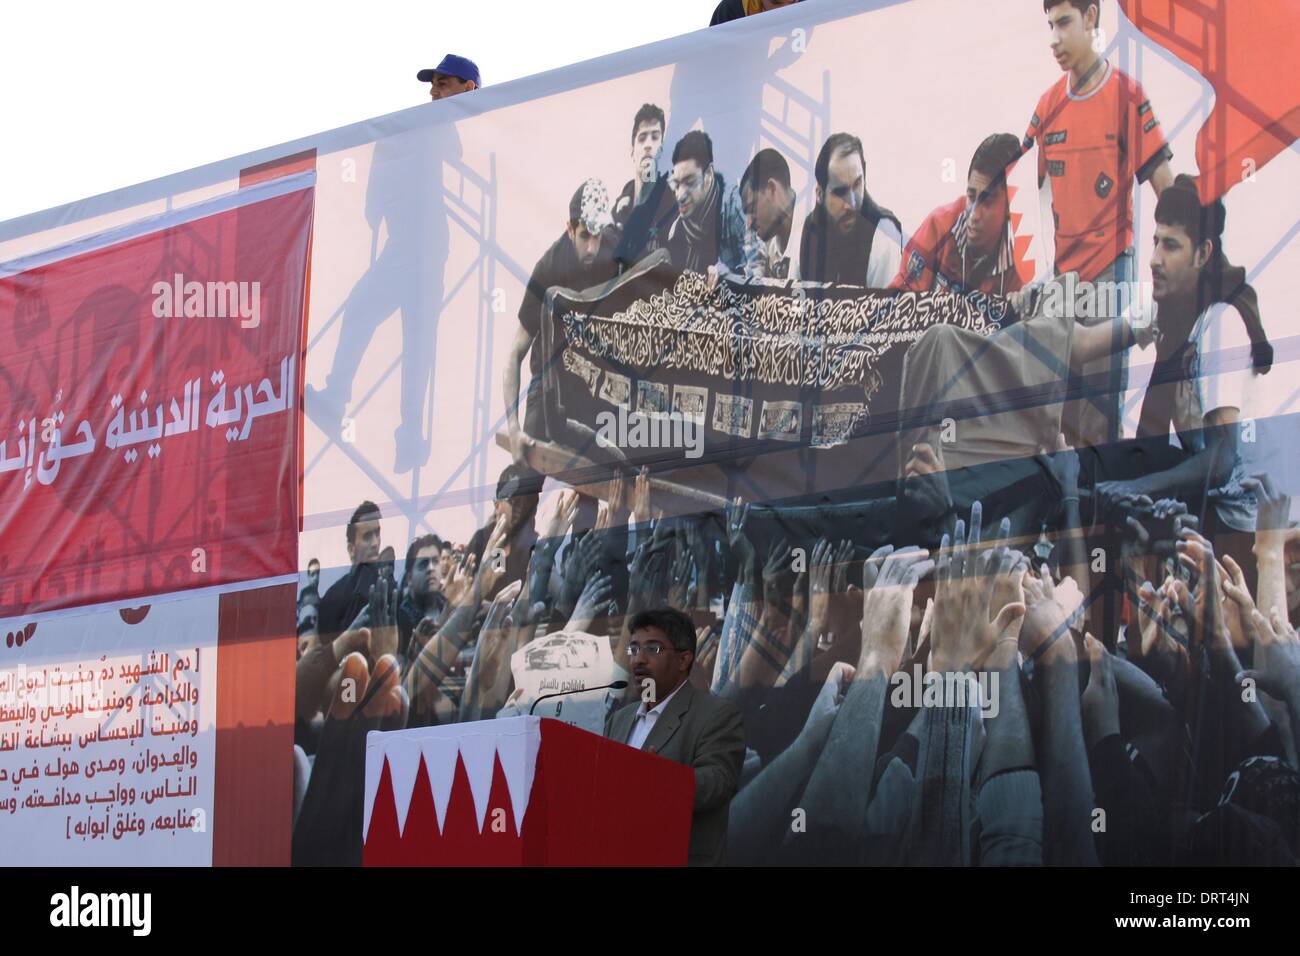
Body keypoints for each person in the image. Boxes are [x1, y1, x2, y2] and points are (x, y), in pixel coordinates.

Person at [1023, 0, 1173, 446]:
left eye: (1064, 22)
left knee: (1097, 425)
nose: (1054, 37)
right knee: (1051, 417)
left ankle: (1100, 510)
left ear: (1091, 19)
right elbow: (1023, 196)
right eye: (1049, 25)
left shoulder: (1128, 96)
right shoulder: (1046, 106)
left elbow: (1170, 195)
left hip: (1111, 272)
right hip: (1061, 284)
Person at [1097, 178, 1262, 538]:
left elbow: (1222, 459)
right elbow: (1085, 345)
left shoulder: (1220, 321)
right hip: (1203, 491)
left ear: (1202, 254)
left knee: (1127, 486)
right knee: (1100, 469)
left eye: (1170, 246)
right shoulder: (1165, 302)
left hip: (1242, 512)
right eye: (1155, 242)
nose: (1155, 259)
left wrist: (1142, 485)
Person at [604, 607, 745, 866]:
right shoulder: (618, 721)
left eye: (653, 649)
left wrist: (660, 780)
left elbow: (718, 782)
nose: (638, 660)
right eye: (634, 649)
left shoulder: (717, 715)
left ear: (683, 660)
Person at [505, 179, 620, 462]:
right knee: (524, 476)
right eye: (584, 236)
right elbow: (514, 353)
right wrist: (513, 429)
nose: (592, 247)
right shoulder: (549, 268)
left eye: (597, 235)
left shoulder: (615, 247)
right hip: (548, 380)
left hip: (592, 380)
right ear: (570, 229)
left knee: (611, 468)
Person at [891, 134, 1026, 299]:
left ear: (1010, 205)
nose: (974, 215)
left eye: (987, 201)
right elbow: (897, 300)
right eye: (971, 196)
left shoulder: (1025, 263)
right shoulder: (938, 226)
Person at [799, 132, 903, 288]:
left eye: (857, 184)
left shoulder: (884, 235)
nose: (852, 203)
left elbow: (885, 311)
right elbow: (794, 303)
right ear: (819, 194)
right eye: (840, 192)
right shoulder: (806, 231)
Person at [664, 130, 756, 276]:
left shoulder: (734, 206)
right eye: (677, 184)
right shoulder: (677, 229)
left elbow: (757, 265)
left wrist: (730, 277)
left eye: (689, 182)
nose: (680, 195)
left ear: (708, 174)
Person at [612, 103, 680, 270]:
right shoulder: (618, 212)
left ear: (661, 149)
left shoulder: (673, 208)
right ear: (632, 150)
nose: (648, 145)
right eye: (642, 138)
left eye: (655, 137)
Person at [317, 502, 383, 641]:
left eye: (377, 533)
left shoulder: (388, 589)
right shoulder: (332, 598)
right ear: (351, 549)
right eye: (367, 537)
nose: (375, 543)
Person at [739, 148, 801, 280]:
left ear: (772, 189)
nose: (749, 224)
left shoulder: (817, 240)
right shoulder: (767, 249)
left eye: (752, 209)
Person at [416, 54, 481, 100]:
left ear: (468, 87)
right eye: (432, 84)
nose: (432, 92)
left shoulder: (488, 118)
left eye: (442, 83)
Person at [709, 0, 801, 25]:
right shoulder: (730, 9)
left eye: (791, 1)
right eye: (776, 2)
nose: (785, 9)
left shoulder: (812, 7)